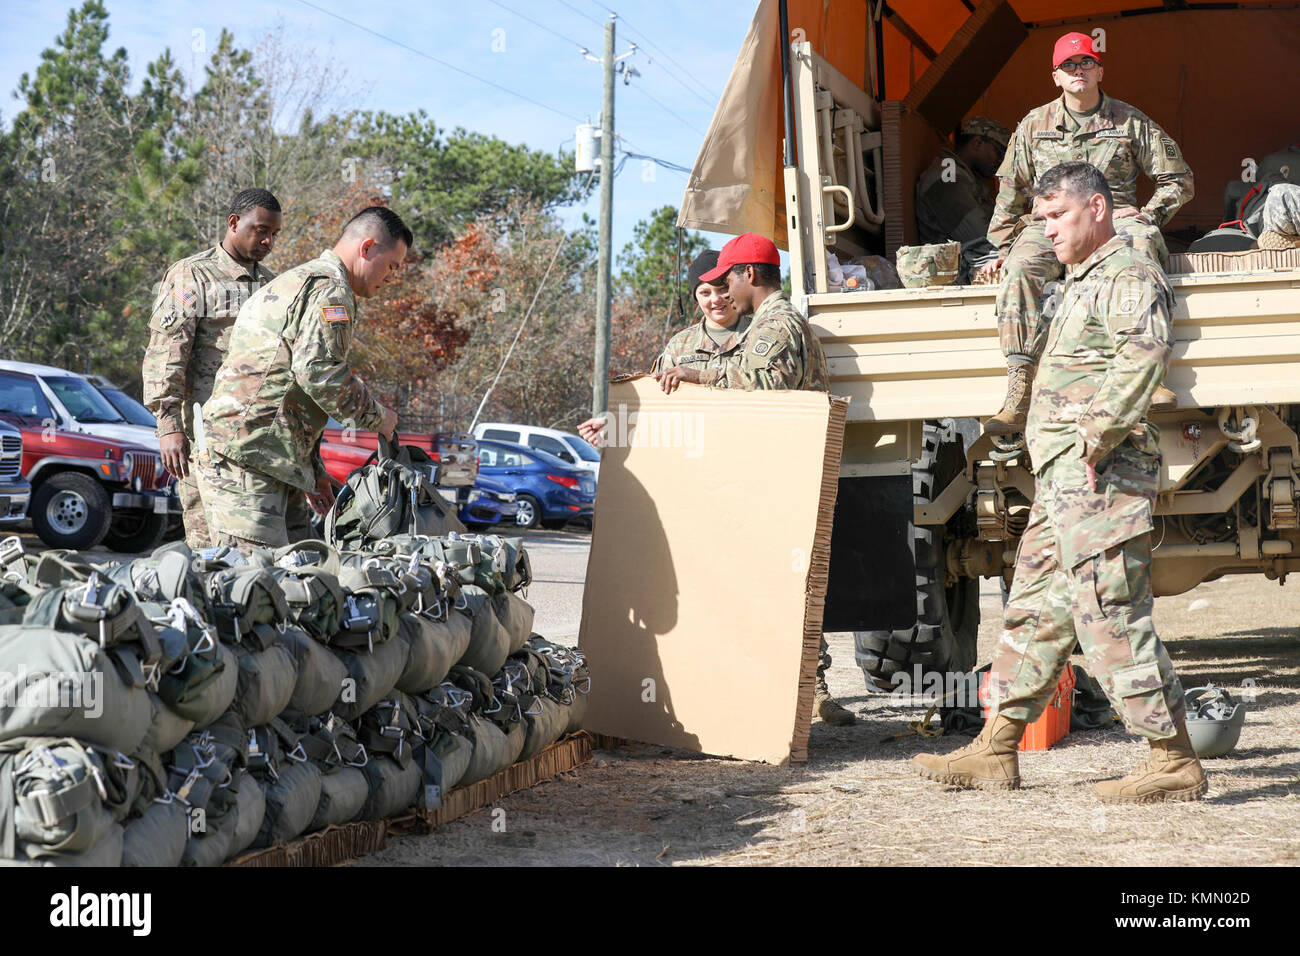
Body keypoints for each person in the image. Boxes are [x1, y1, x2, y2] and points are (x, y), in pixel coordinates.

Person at [913, 162, 1207, 804]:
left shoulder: (1127, 271)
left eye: (1057, 216)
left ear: (1097, 209)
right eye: (1040, 219)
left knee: (1108, 610)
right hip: (1063, 480)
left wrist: (1098, 433)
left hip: (1100, 475)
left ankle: (1172, 758)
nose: (1047, 231)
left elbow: (1144, 350)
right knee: (1035, 610)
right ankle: (998, 746)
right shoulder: (1079, 280)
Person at [982, 31, 1190, 435]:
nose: (1078, 71)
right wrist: (1004, 247)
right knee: (1020, 267)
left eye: (1086, 63)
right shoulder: (1033, 126)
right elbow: (1010, 192)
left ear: (1100, 70)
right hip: (1051, 221)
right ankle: (1019, 386)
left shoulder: (1130, 121)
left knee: (1142, 249)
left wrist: (1148, 215)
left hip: (1110, 219)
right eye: (1068, 66)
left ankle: (1149, 373)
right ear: (1055, 77)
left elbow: (1178, 179)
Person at [196, 205, 404, 550]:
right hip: (246, 460)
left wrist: (313, 469)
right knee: (252, 587)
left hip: (267, 458)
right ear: (367, 248)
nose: (392, 277)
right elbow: (318, 373)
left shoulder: (295, 281)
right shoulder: (331, 291)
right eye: (392, 265)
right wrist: (379, 419)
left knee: (303, 578)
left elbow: (288, 385)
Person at [142, 188, 282, 547]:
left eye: (274, 234)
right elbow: (166, 353)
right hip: (205, 438)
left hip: (258, 441)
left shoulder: (273, 286)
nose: (267, 241)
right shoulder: (193, 276)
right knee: (212, 547)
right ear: (233, 223)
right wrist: (168, 426)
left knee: (261, 552)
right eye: (261, 230)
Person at [914, 117, 1010, 278]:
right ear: (977, 143)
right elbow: (978, 234)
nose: (1000, 161)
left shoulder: (964, 175)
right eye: (998, 152)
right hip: (953, 272)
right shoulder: (947, 176)